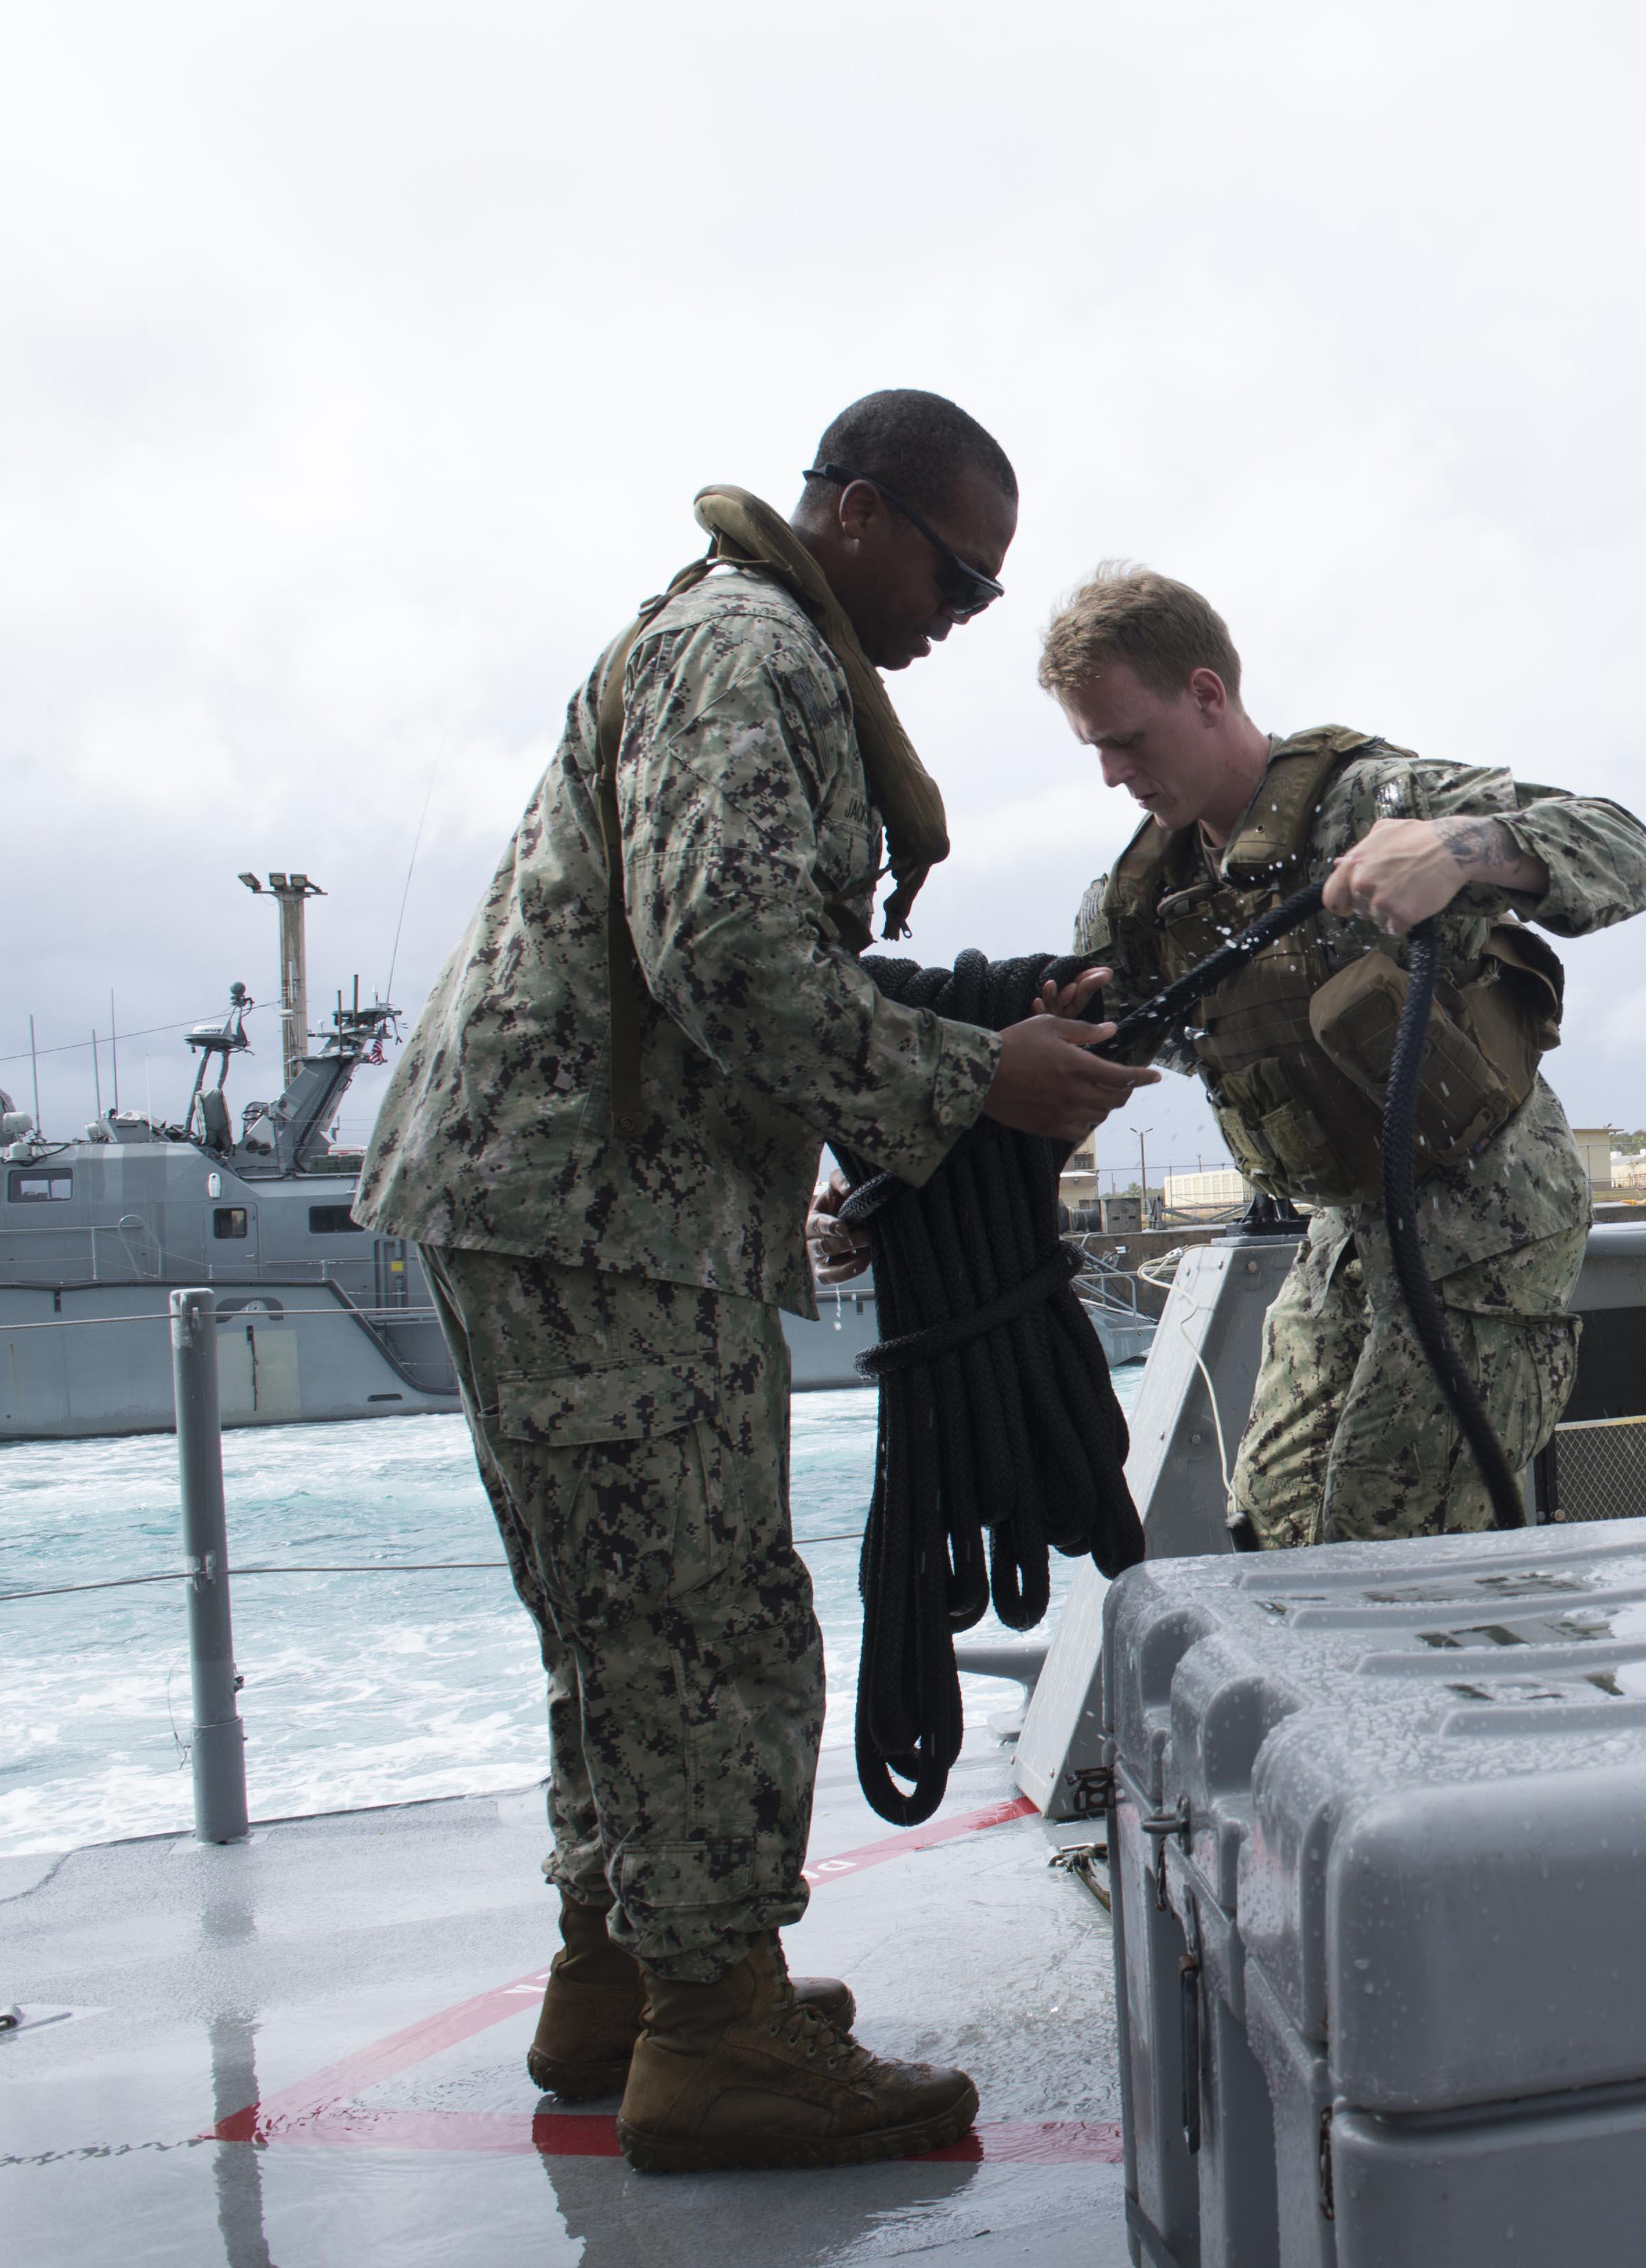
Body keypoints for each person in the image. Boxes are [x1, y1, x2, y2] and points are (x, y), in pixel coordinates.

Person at [357, 391, 1143, 2173]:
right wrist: (971, 1085)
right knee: (707, 1621)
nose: (960, 617)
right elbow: (722, 947)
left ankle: (621, 1977)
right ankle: (715, 2034)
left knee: (618, 1615)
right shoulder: (754, 651)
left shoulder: (728, 637)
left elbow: (700, 972)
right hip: (592, 1215)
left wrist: (824, 1172)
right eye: (955, 573)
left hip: (577, 1201)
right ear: (856, 513)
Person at [1046, 566, 1646, 1547]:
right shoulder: (1149, 899)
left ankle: (1514, 1685)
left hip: (1487, 1220)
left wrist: (1462, 849)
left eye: (1127, 739)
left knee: (1388, 1540)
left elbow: (1626, 846)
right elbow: (1080, 1045)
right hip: (1350, 1231)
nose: (1114, 775)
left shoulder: (1370, 804)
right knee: (1276, 1521)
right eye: (1096, 750)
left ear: (1205, 695)